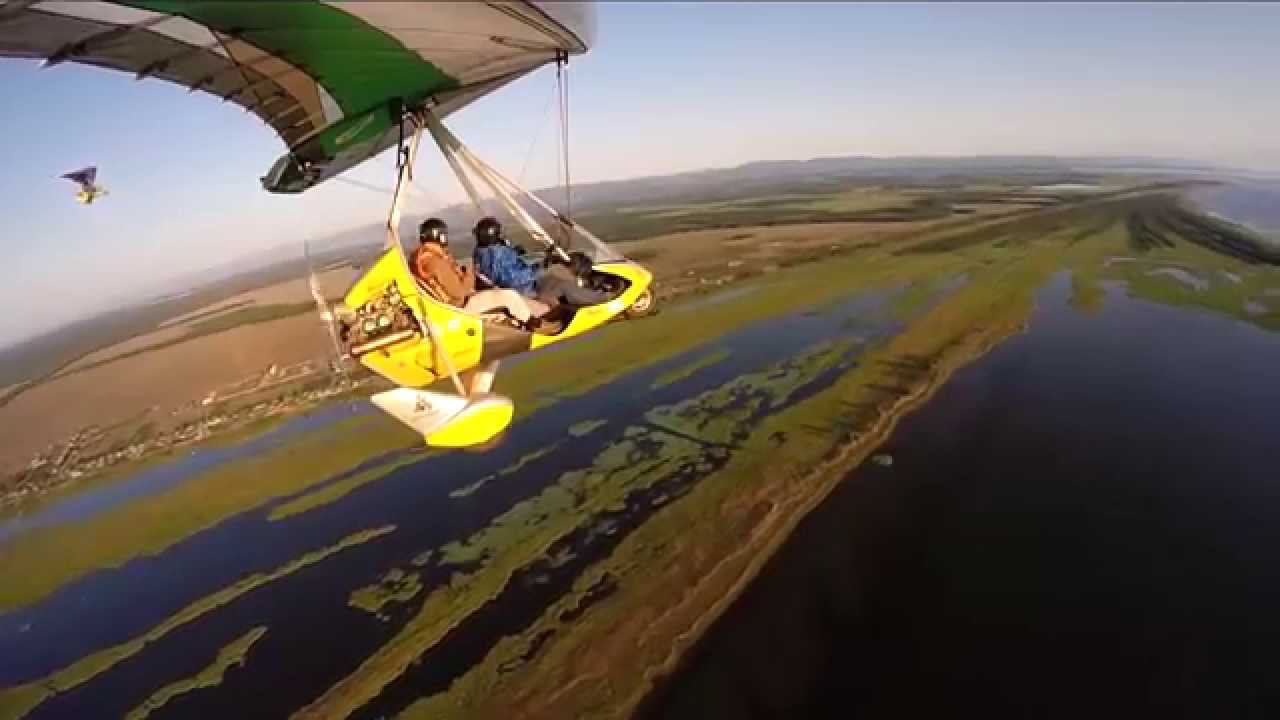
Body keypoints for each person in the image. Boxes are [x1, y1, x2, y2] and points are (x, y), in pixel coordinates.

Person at [410, 218, 541, 326]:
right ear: (440, 236)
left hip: (450, 306)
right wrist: (469, 274)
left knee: (499, 294)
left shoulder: (423, 259)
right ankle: (533, 324)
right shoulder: (435, 262)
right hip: (460, 307)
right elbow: (459, 293)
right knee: (509, 295)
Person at [471, 216, 612, 307]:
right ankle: (604, 297)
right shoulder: (495, 254)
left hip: (523, 287)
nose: (502, 235)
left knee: (556, 277)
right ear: (494, 235)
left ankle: (589, 290)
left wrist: (531, 255)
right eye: (499, 232)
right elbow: (512, 280)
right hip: (525, 291)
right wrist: (541, 267)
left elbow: (512, 267)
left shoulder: (482, 251)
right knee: (563, 285)